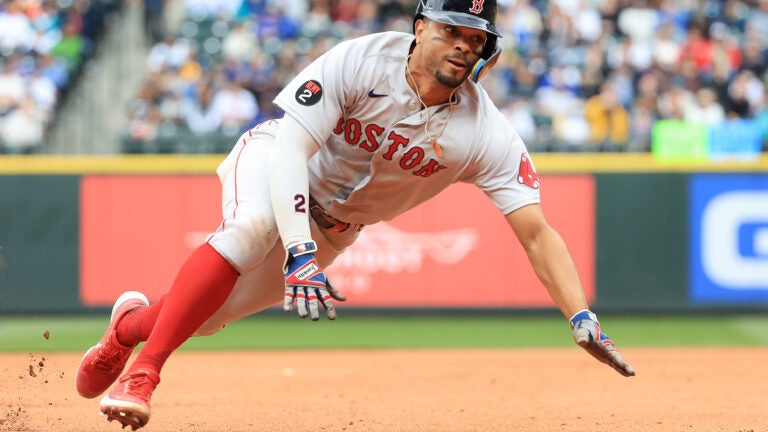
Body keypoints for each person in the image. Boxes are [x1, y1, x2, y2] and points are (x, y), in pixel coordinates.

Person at [75, 1, 635, 429]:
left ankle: (126, 328)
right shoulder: (361, 58)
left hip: (336, 230)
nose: (463, 46)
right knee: (251, 230)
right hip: (278, 160)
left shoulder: (485, 133)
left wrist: (581, 317)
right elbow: (293, 151)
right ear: (420, 27)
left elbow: (537, 233)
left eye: (476, 38)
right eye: (450, 31)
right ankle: (144, 375)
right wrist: (298, 251)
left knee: (208, 315)